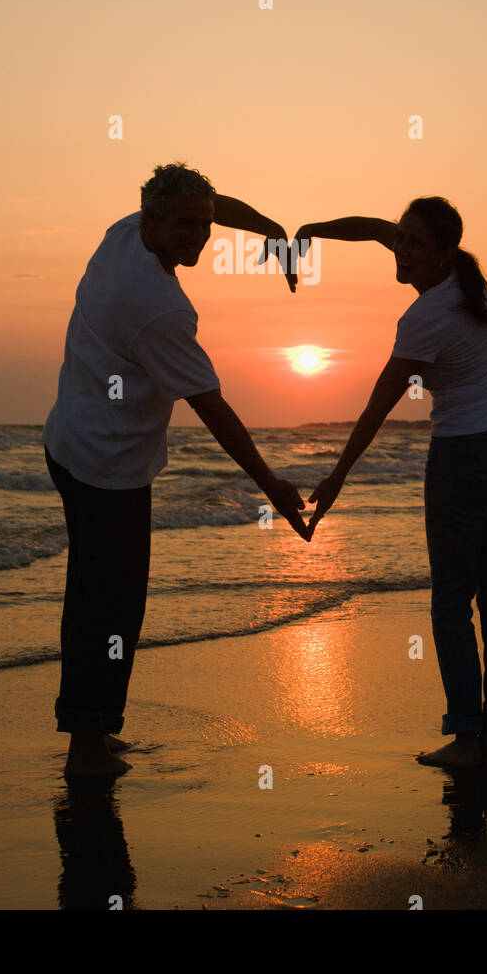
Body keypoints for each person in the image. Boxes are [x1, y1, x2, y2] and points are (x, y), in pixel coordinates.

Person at [43, 162, 309, 778]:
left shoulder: (123, 233)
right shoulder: (158, 309)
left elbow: (210, 204)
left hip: (70, 442)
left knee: (100, 598)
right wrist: (271, 484)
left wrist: (268, 227)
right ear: (153, 220)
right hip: (105, 466)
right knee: (107, 607)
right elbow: (210, 407)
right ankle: (86, 747)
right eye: (185, 225)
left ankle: (96, 727)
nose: (200, 237)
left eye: (205, 225)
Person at [300, 197, 487, 769]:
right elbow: (372, 228)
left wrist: (338, 474)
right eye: (402, 239)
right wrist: (313, 229)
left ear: (443, 252)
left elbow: (379, 405)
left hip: (468, 456)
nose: (401, 250)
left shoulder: (425, 317)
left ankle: (468, 739)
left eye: (414, 243)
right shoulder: (468, 280)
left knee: (453, 600)